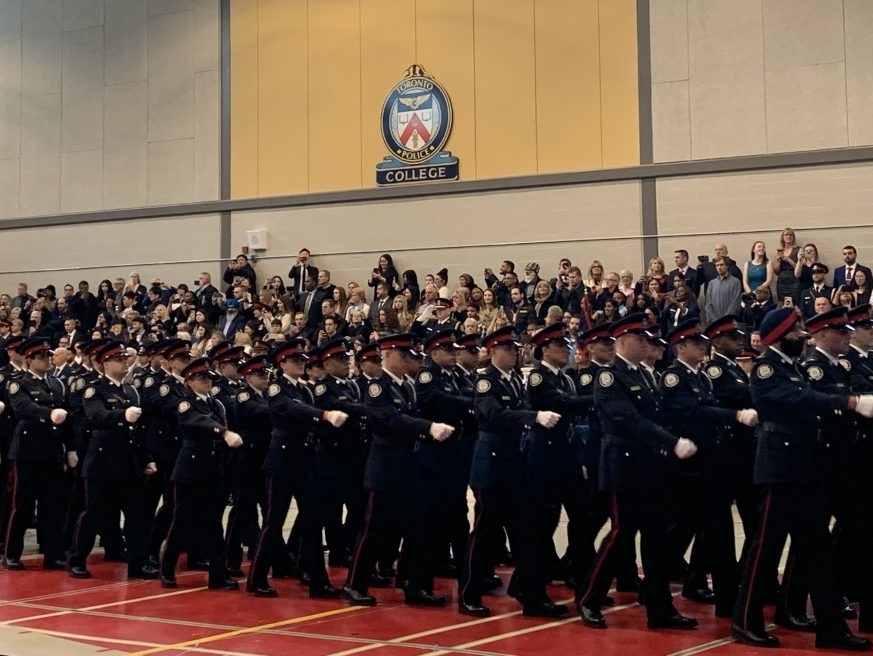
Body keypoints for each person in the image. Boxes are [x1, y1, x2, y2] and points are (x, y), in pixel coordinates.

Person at [730, 307, 873, 650]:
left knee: (817, 550)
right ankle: (745, 619)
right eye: (796, 330)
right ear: (780, 334)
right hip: (780, 467)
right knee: (765, 548)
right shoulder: (767, 367)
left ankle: (832, 629)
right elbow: (796, 398)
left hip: (804, 467)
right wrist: (850, 402)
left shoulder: (791, 367)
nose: (803, 335)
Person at [576, 314, 698, 631]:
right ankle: (589, 598)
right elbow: (628, 419)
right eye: (640, 339)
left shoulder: (644, 375)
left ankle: (659, 607)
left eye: (647, 339)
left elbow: (656, 416)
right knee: (620, 536)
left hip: (651, 469)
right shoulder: (609, 377)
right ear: (623, 341)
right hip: (624, 467)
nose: (646, 344)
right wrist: (672, 443)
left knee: (656, 540)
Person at [458, 326, 567, 619]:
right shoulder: (486, 382)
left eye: (515, 349)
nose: (513, 353)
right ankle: (467, 594)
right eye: (507, 349)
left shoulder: (515, 382)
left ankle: (532, 596)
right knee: (483, 534)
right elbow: (493, 415)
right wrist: (533, 417)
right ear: (492, 351)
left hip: (516, 465)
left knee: (527, 535)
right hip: (492, 466)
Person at [344, 334, 454, 607]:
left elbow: (411, 416)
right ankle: (354, 584)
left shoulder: (406, 387)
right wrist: (428, 428)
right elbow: (390, 419)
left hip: (409, 467)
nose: (409, 361)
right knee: (373, 530)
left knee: (418, 528)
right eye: (404, 355)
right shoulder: (377, 388)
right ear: (389, 356)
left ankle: (415, 585)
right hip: (386, 469)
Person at [659, 320, 755, 617]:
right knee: (678, 535)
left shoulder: (700, 377)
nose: (703, 346)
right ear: (680, 347)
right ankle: (656, 593)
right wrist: (735, 415)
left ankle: (728, 603)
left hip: (711, 467)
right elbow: (693, 412)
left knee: (720, 533)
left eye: (703, 342)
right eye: (696, 342)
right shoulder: (674, 378)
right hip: (688, 469)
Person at [246, 339, 347, 598]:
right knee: (274, 521)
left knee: (313, 520)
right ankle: (256, 578)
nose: (302, 363)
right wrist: (323, 416)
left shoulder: (303, 390)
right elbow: (290, 409)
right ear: (283, 363)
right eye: (296, 360)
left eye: (303, 360)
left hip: (304, 459)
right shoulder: (277, 389)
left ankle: (317, 580)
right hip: (282, 461)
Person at [67, 341, 158, 580]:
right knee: (93, 514)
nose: (124, 362)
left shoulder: (129, 391)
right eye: (118, 359)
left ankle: (138, 563)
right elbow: (96, 416)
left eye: (125, 358)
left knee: (136, 516)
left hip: (128, 464)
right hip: (103, 464)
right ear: (106, 363)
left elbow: (138, 432)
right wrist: (122, 416)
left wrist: (146, 458)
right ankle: (77, 559)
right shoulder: (93, 389)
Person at [159, 357, 244, 590]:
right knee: (181, 521)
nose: (206, 381)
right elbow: (198, 421)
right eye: (201, 378)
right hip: (190, 471)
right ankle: (166, 568)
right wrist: (223, 432)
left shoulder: (217, 404)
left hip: (212, 470)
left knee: (214, 524)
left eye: (208, 377)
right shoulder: (186, 403)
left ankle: (218, 575)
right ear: (189, 381)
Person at [771, 227, 801, 303]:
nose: (788, 237)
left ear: (793, 237)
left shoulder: (798, 249)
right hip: (782, 280)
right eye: (786, 235)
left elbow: (800, 268)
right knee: (782, 302)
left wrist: (789, 260)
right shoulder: (779, 251)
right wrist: (778, 260)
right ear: (783, 237)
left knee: (795, 302)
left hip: (794, 279)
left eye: (791, 235)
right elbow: (776, 272)